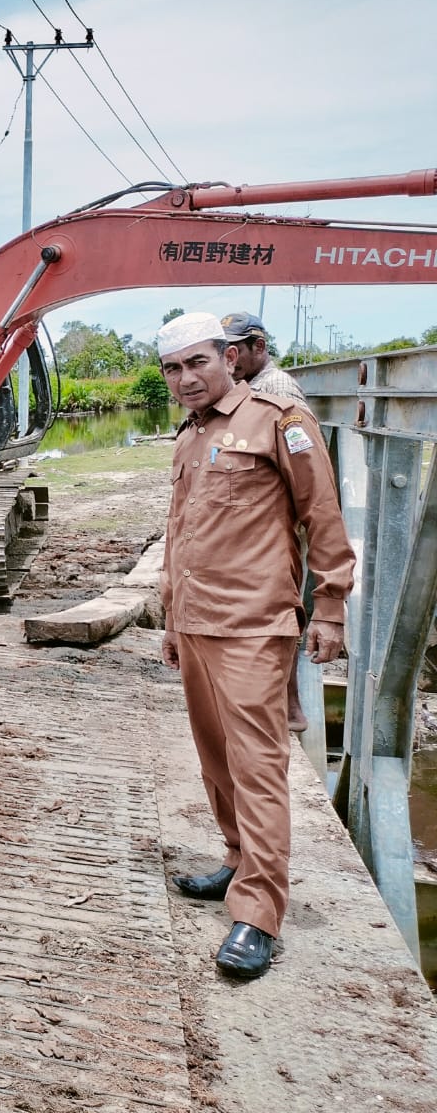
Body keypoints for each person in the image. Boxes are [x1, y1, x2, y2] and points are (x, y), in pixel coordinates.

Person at [155, 310, 354, 980]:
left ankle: (258, 915)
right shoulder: (189, 437)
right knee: (215, 761)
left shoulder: (278, 421)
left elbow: (320, 514)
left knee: (257, 766)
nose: (186, 378)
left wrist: (330, 608)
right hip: (197, 625)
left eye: (197, 363)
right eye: (173, 369)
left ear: (227, 358)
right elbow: (180, 534)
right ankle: (238, 858)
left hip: (253, 627)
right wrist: (172, 619)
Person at [222, 311, 314, 734]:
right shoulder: (249, 387)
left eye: (236, 350)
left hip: (276, 529)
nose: (229, 359)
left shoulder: (277, 390)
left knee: (274, 616)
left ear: (260, 347)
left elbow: (305, 472)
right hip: (260, 528)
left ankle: (289, 709)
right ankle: (281, 707)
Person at [220, 311, 307, 402]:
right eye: (222, 353)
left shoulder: (279, 387)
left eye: (235, 352)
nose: (228, 360)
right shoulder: (238, 385)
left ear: (259, 347)